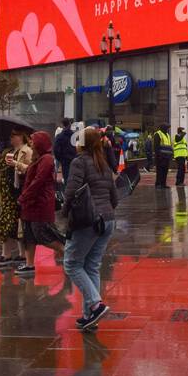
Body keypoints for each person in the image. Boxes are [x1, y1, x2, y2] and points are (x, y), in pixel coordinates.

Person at [61, 127, 119, 330]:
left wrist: (65, 211)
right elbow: (114, 195)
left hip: (88, 219)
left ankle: (95, 305)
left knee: (72, 264)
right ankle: (90, 315)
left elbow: (70, 191)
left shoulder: (79, 162)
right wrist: (108, 209)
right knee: (92, 265)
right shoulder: (102, 161)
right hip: (108, 219)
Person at [15, 130, 66, 276]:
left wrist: (23, 197)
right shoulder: (38, 158)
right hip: (31, 204)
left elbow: (38, 181)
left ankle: (64, 250)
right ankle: (30, 264)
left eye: (33, 141)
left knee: (42, 235)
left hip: (40, 203)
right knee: (29, 236)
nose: (31, 143)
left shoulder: (46, 159)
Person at [0, 131, 32, 267]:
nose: (11, 138)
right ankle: (7, 253)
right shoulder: (8, 151)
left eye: (14, 136)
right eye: (10, 136)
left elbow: (30, 170)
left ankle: (18, 254)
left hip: (18, 192)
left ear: (22, 136)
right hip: (7, 192)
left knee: (17, 223)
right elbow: (3, 170)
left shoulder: (26, 151)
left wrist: (16, 164)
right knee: (8, 222)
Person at [153, 122, 174, 188]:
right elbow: (156, 146)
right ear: (163, 128)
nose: (167, 129)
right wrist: (158, 155)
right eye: (166, 128)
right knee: (160, 171)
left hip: (166, 156)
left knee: (165, 171)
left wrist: (171, 154)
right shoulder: (158, 134)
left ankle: (163, 184)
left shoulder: (167, 135)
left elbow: (169, 145)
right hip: (160, 157)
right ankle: (158, 184)